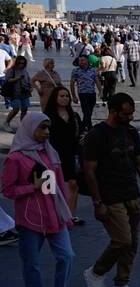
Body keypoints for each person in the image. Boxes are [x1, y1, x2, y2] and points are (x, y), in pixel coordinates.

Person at [80, 93, 140, 287]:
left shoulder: (131, 132)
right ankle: (96, 272)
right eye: (126, 113)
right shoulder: (97, 135)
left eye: (132, 112)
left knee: (132, 242)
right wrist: (97, 202)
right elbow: (89, 171)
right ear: (113, 111)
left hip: (131, 192)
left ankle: (121, 285)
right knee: (122, 240)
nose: (131, 117)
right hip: (110, 196)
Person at [1, 113, 77, 287]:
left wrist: (66, 213)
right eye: (42, 128)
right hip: (30, 217)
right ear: (30, 128)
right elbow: (7, 190)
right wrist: (31, 187)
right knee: (31, 262)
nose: (46, 132)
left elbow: (58, 185)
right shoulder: (15, 158)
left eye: (48, 128)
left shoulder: (50, 153)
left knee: (67, 256)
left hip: (54, 213)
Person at [42, 87, 83, 225]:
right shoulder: (48, 116)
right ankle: (51, 214)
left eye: (67, 96)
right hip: (53, 154)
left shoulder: (74, 116)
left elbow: (81, 132)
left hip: (71, 154)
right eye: (61, 96)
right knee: (52, 186)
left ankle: (70, 216)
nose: (65, 98)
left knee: (73, 184)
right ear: (55, 98)